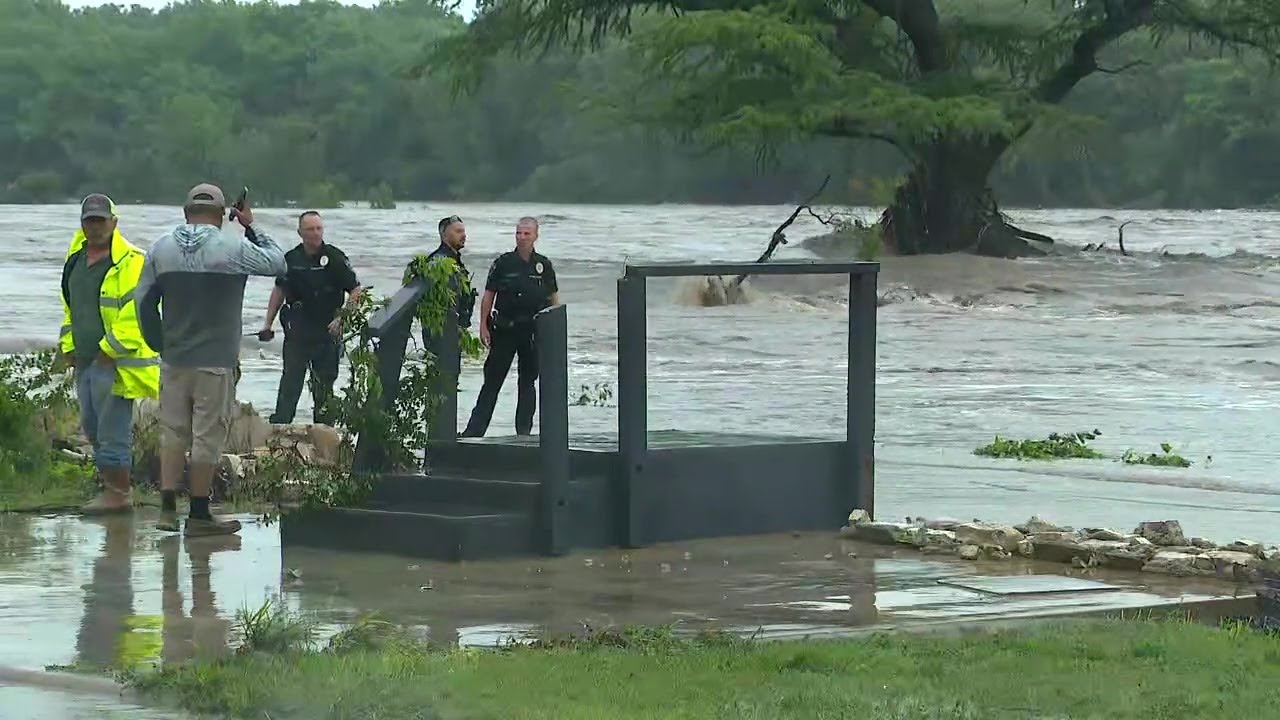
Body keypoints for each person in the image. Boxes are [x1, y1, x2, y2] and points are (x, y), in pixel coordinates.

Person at [135, 183, 287, 536]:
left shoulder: (160, 248)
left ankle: (167, 509)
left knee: (172, 433)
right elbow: (278, 261)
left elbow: (143, 300)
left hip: (174, 359)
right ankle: (200, 513)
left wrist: (158, 342)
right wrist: (250, 224)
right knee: (207, 436)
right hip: (215, 360)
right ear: (222, 214)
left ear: (185, 212)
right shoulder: (233, 246)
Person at [58, 194, 160, 513]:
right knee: (91, 427)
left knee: (112, 430)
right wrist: (69, 347)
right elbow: (70, 306)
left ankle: (119, 493)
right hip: (85, 361)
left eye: (101, 220)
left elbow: (139, 311)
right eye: (90, 220)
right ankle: (110, 487)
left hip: (115, 363)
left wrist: (109, 349)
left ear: (114, 223)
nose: (95, 226)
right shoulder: (75, 258)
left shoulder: (133, 260)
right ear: (82, 223)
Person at [260, 211, 362, 425]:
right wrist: (267, 324)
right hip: (298, 331)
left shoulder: (335, 258)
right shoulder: (291, 259)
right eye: (310, 229)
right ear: (300, 233)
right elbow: (279, 291)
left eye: (318, 228)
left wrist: (343, 318)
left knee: (323, 387)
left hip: (327, 332)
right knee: (290, 382)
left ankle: (324, 432)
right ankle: (280, 426)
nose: (315, 233)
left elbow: (355, 291)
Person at [461, 216, 559, 437]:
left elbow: (554, 298)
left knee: (528, 383)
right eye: (519, 233)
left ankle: (523, 433)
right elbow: (488, 296)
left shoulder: (544, 265)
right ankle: (474, 432)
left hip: (533, 333)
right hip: (505, 329)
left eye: (527, 233)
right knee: (492, 381)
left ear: (536, 235)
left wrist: (555, 330)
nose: (522, 237)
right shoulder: (503, 263)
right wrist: (483, 326)